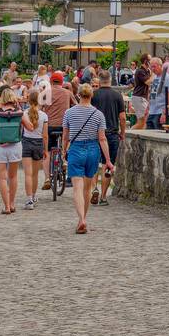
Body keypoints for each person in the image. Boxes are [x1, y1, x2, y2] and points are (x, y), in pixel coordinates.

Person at [61, 84, 114, 235]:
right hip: (93, 150)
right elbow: (102, 139)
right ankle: (83, 218)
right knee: (87, 187)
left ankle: (81, 220)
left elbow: (65, 136)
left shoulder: (69, 113)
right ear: (91, 96)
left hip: (76, 149)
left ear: (78, 95)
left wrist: (65, 150)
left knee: (77, 187)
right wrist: (108, 160)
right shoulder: (98, 114)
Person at [90, 69, 126, 206]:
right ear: (110, 79)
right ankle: (104, 197)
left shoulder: (94, 95)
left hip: (95, 134)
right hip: (111, 134)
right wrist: (122, 133)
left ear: (99, 79)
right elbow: (122, 117)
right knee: (107, 164)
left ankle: (94, 188)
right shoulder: (117, 96)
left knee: (94, 163)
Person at [0, 88, 24, 214]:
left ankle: (6, 206)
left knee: (2, 178)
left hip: (0, 147)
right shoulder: (19, 112)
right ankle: (12, 204)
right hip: (15, 146)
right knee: (13, 177)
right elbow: (30, 126)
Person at [21, 89, 47, 208]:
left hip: (26, 142)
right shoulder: (44, 115)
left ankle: (29, 199)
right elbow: (45, 135)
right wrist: (45, 150)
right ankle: (34, 195)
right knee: (35, 174)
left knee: (28, 174)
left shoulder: (24, 113)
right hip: (38, 143)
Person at [146, 56, 169, 129]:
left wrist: (165, 113)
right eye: (151, 67)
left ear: (160, 66)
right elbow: (152, 94)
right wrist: (147, 108)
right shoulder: (155, 77)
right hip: (152, 111)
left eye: (154, 67)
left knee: (158, 134)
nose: (153, 69)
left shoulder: (167, 78)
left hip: (161, 111)